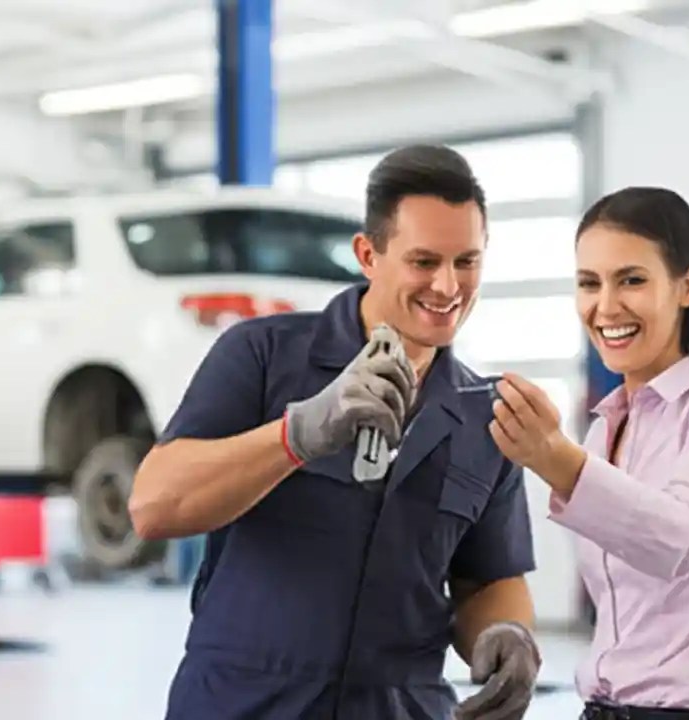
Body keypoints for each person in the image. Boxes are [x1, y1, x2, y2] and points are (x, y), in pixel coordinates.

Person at [130, 145, 542, 720]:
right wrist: (296, 435)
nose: (448, 287)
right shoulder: (262, 356)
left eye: (467, 262)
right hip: (245, 701)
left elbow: (487, 578)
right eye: (424, 262)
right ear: (368, 254)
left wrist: (507, 636)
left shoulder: (487, 416)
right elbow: (154, 505)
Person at [486, 187, 689, 719]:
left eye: (631, 279)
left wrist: (551, 456)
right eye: (590, 283)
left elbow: (678, 541)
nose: (606, 306)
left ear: (688, 286)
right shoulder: (609, 425)